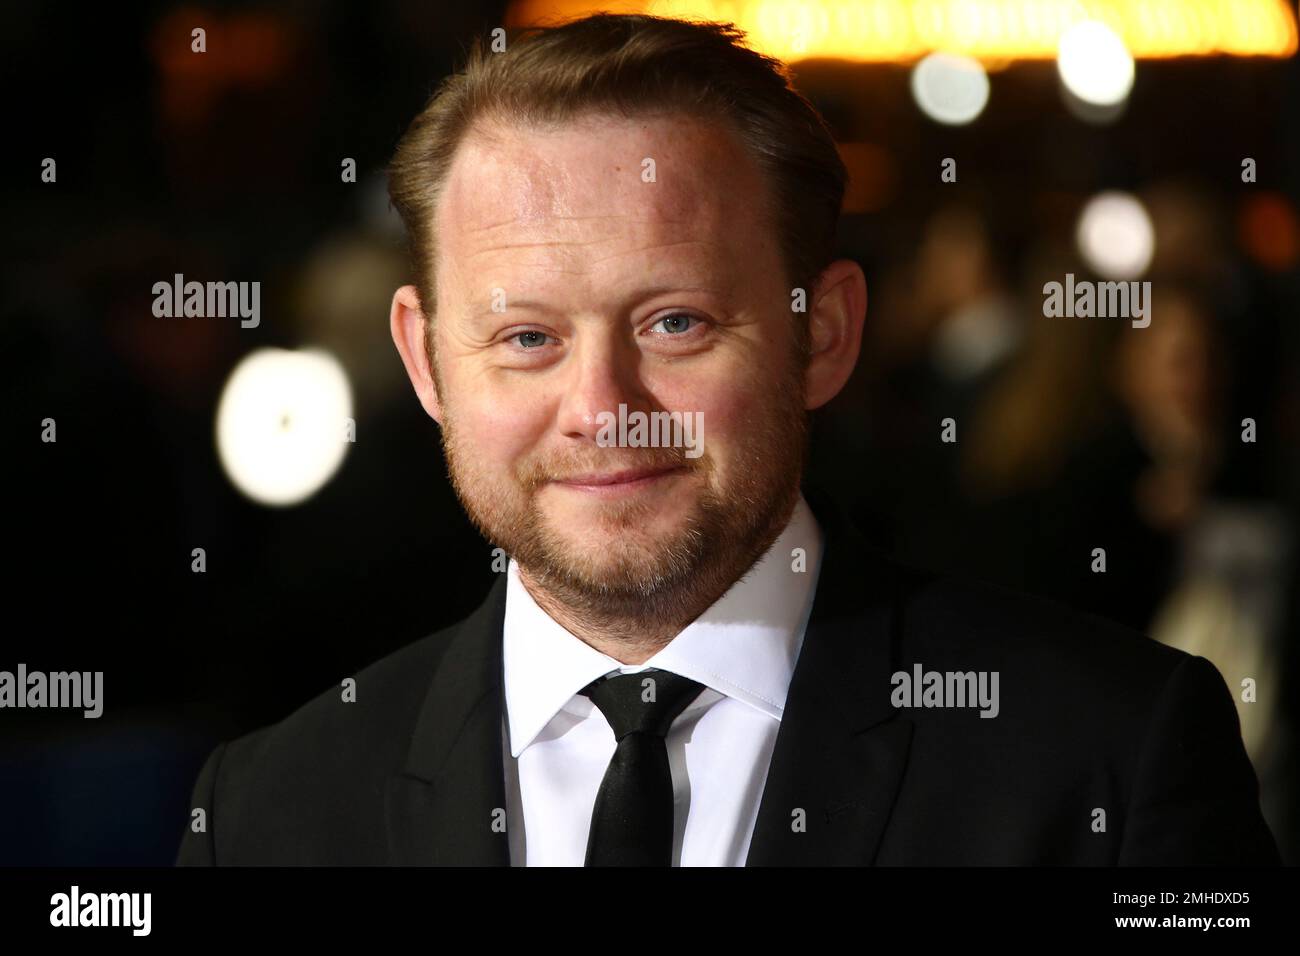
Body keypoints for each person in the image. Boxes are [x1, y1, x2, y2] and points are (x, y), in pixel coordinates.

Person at [175, 13, 1279, 866]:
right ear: (423, 362)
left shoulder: (1110, 758)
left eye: (675, 323)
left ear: (825, 333)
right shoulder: (270, 809)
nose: (603, 405)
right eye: (525, 335)